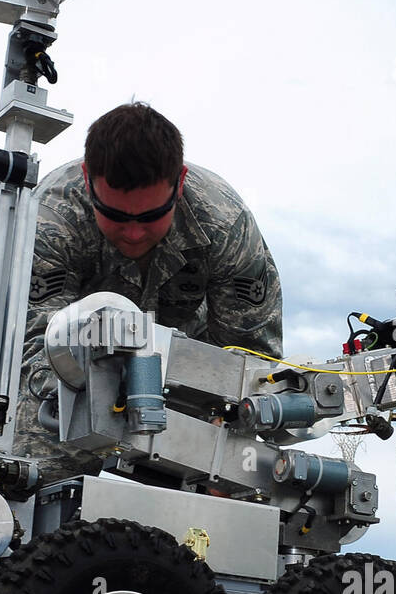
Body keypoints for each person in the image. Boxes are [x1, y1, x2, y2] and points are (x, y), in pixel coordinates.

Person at [16, 101, 283, 481]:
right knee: (37, 482)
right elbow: (35, 348)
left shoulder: (224, 224)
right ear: (87, 177)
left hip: (186, 387)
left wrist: (233, 458)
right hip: (68, 383)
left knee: (219, 497)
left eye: (150, 217)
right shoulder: (50, 218)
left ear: (181, 181)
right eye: (118, 216)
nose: (135, 233)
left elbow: (252, 362)